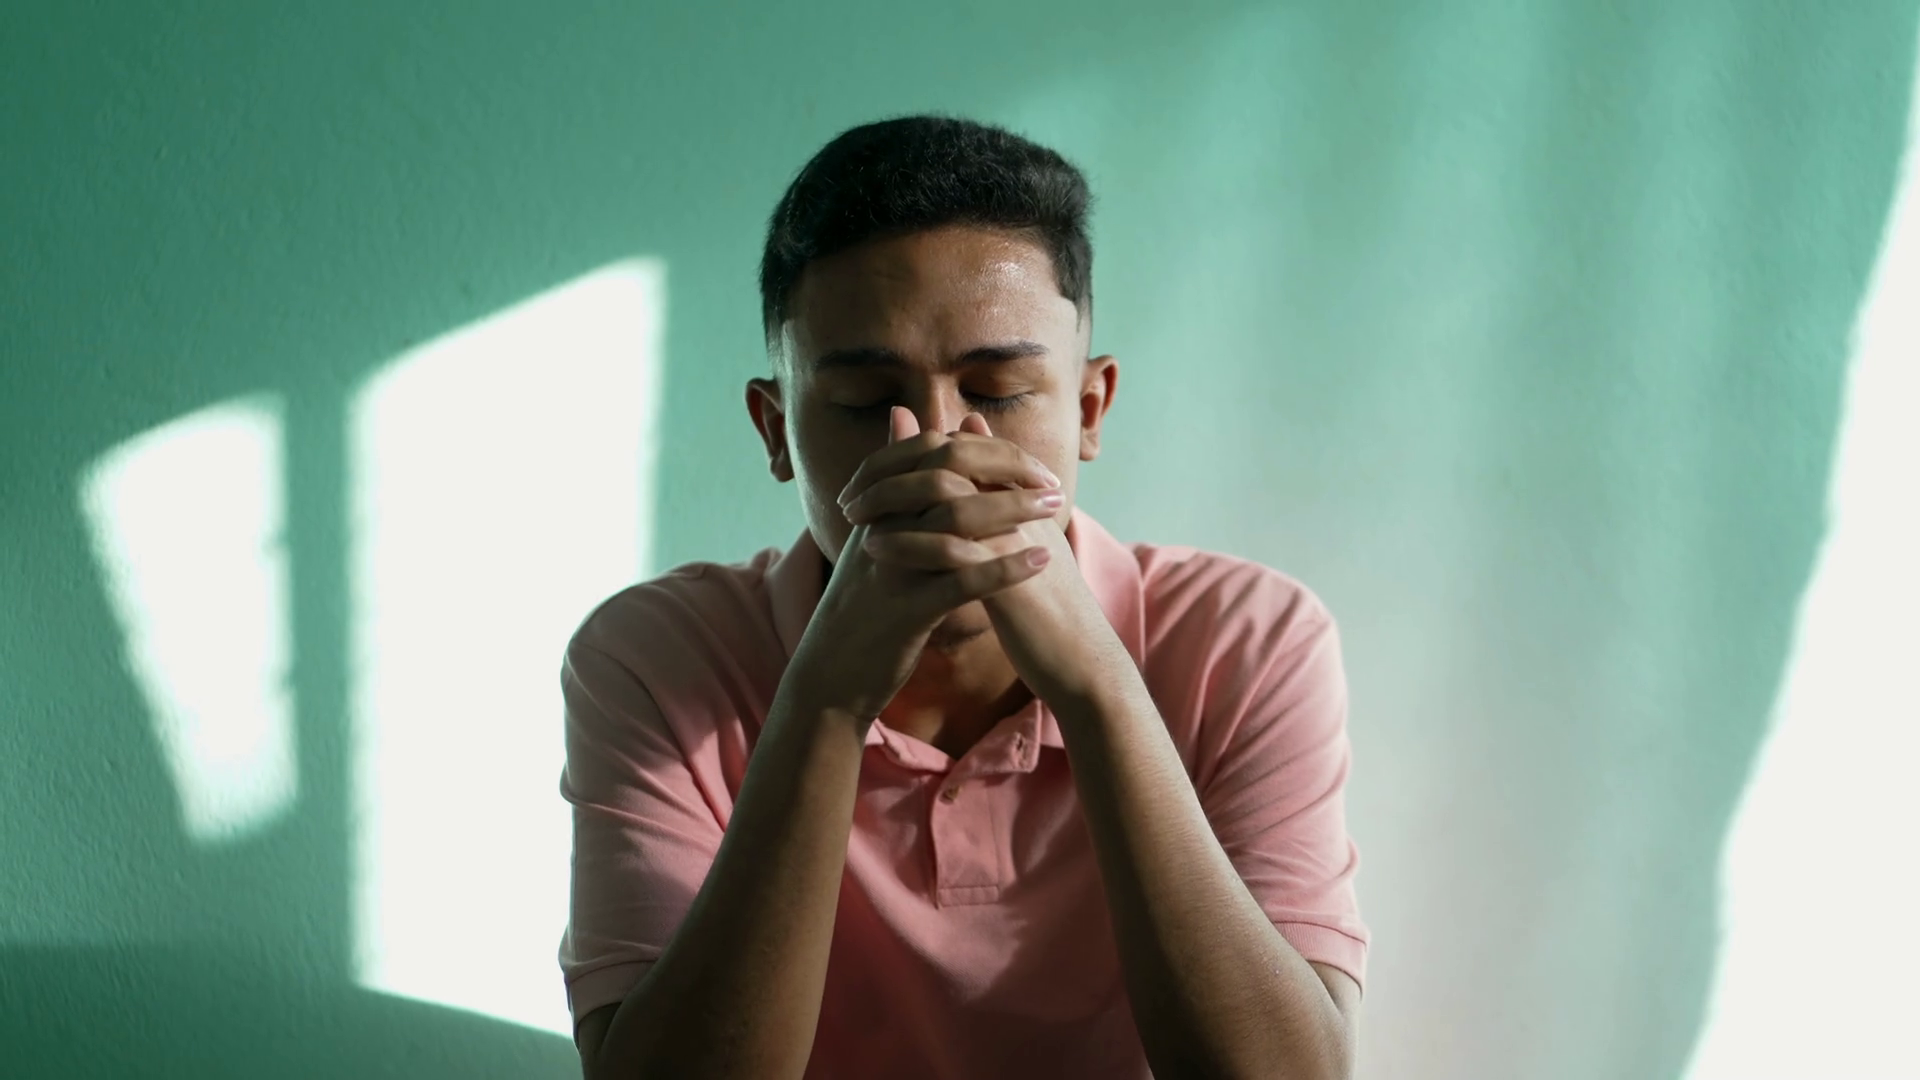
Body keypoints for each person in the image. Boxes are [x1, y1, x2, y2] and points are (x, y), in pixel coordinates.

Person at [559, 114, 1368, 1080]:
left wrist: (1102, 691)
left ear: (1089, 409)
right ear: (776, 431)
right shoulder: (656, 656)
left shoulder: (1248, 640)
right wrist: (823, 700)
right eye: (865, 403)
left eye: (998, 389)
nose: (937, 451)